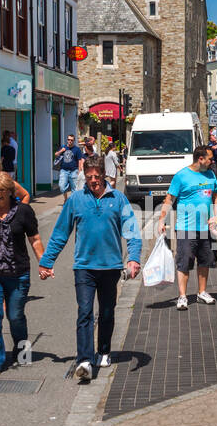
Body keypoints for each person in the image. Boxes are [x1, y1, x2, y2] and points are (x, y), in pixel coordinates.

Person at [39, 155, 141, 381]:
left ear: (104, 175)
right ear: (84, 176)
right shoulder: (76, 199)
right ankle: (84, 360)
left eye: (97, 176)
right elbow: (60, 233)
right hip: (83, 266)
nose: (93, 181)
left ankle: (104, 350)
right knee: (84, 312)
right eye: (89, 177)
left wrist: (133, 258)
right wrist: (47, 261)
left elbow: (132, 232)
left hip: (111, 266)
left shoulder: (119, 199)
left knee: (106, 311)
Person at [0, 172, 46, 374]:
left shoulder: (23, 212)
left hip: (17, 272)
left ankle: (21, 350)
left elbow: (35, 240)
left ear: (10, 192)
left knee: (15, 316)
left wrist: (44, 263)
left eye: (1, 190)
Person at [156, 145, 217, 310]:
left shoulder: (211, 175)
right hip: (186, 227)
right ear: (201, 159)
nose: (213, 161)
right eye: (210, 158)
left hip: (206, 227)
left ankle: (202, 292)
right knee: (184, 261)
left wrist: (216, 216)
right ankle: (182, 296)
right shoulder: (182, 176)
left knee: (205, 260)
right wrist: (162, 220)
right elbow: (169, 199)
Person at [54, 133, 83, 202]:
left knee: (74, 189)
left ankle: (71, 202)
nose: (70, 141)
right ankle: (66, 198)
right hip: (64, 170)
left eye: (71, 140)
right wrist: (61, 150)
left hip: (74, 171)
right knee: (62, 186)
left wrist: (79, 171)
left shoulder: (77, 149)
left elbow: (80, 160)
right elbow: (56, 154)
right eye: (68, 140)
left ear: (74, 141)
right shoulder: (63, 147)